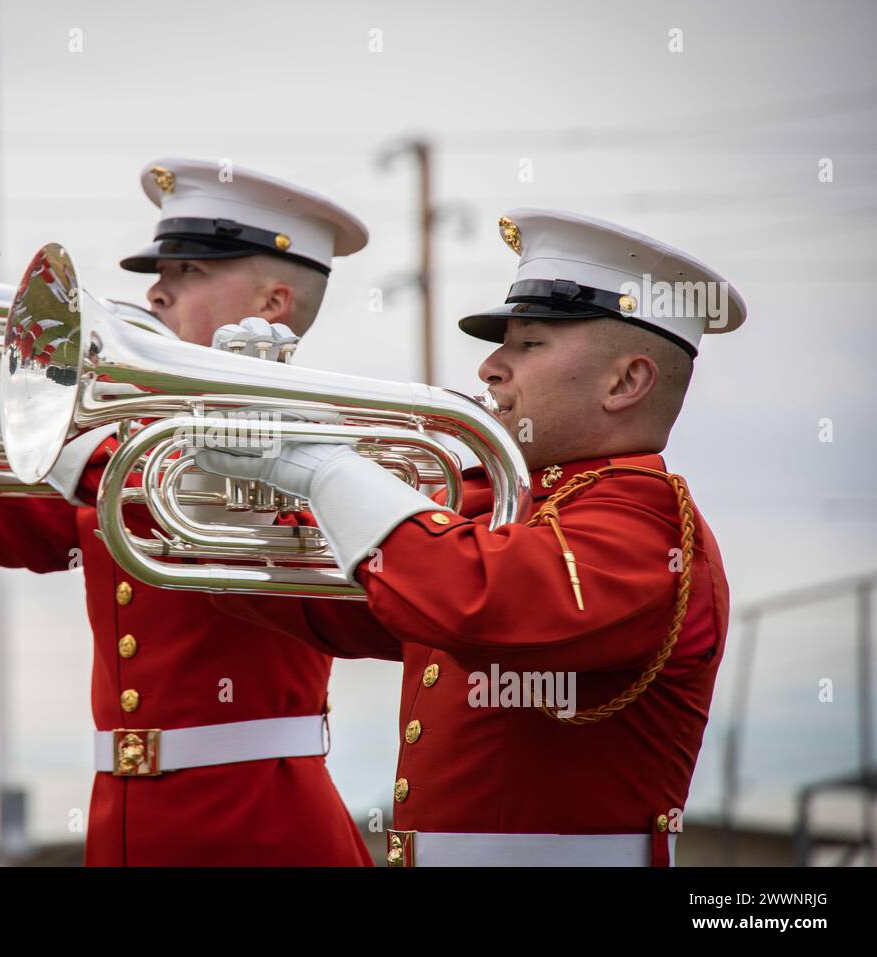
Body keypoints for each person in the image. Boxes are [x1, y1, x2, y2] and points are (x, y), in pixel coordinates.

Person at [0, 158, 375, 865]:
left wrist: (53, 429)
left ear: (272, 305)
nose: (156, 290)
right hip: (124, 820)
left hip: (259, 821)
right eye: (163, 271)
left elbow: (187, 518)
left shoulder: (316, 439)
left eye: (190, 272)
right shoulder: (121, 446)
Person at [196, 209, 745, 866]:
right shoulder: (501, 501)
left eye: (529, 344)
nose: (490, 367)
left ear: (625, 381)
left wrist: (327, 467)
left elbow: (479, 598)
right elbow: (336, 603)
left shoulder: (647, 524)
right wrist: (230, 495)